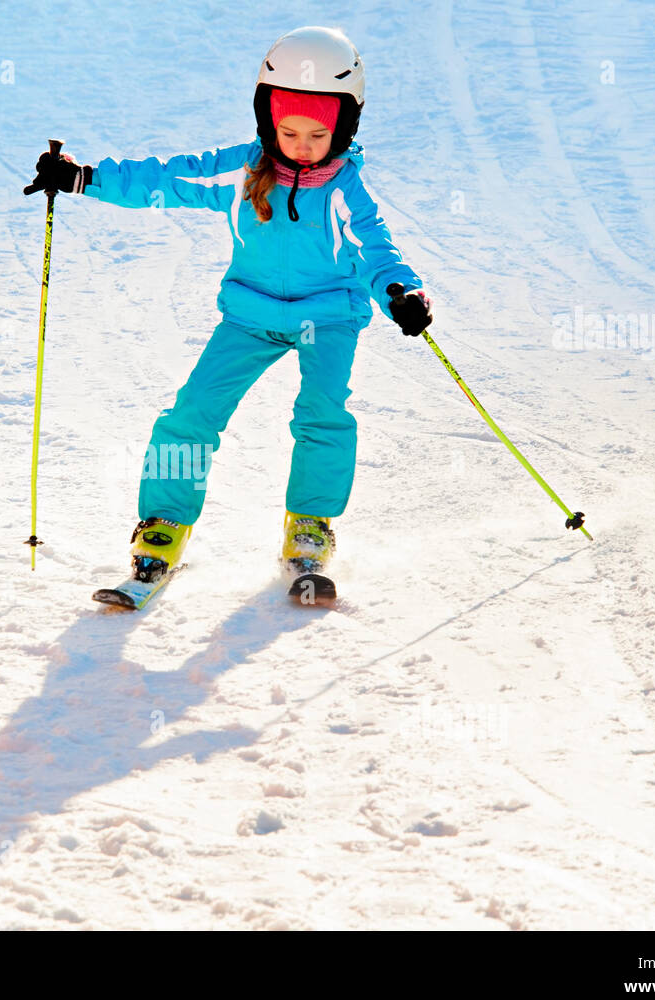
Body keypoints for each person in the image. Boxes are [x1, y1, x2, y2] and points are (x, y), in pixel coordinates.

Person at [26, 25, 431, 590]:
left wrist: (401, 295)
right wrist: (84, 179)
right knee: (191, 414)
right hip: (251, 317)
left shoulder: (344, 191)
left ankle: (309, 524)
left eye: (319, 134)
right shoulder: (243, 172)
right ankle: (165, 523)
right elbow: (168, 179)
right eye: (288, 132)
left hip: (328, 319)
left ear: (346, 127)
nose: (303, 147)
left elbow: (375, 251)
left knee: (322, 416)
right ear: (267, 120)